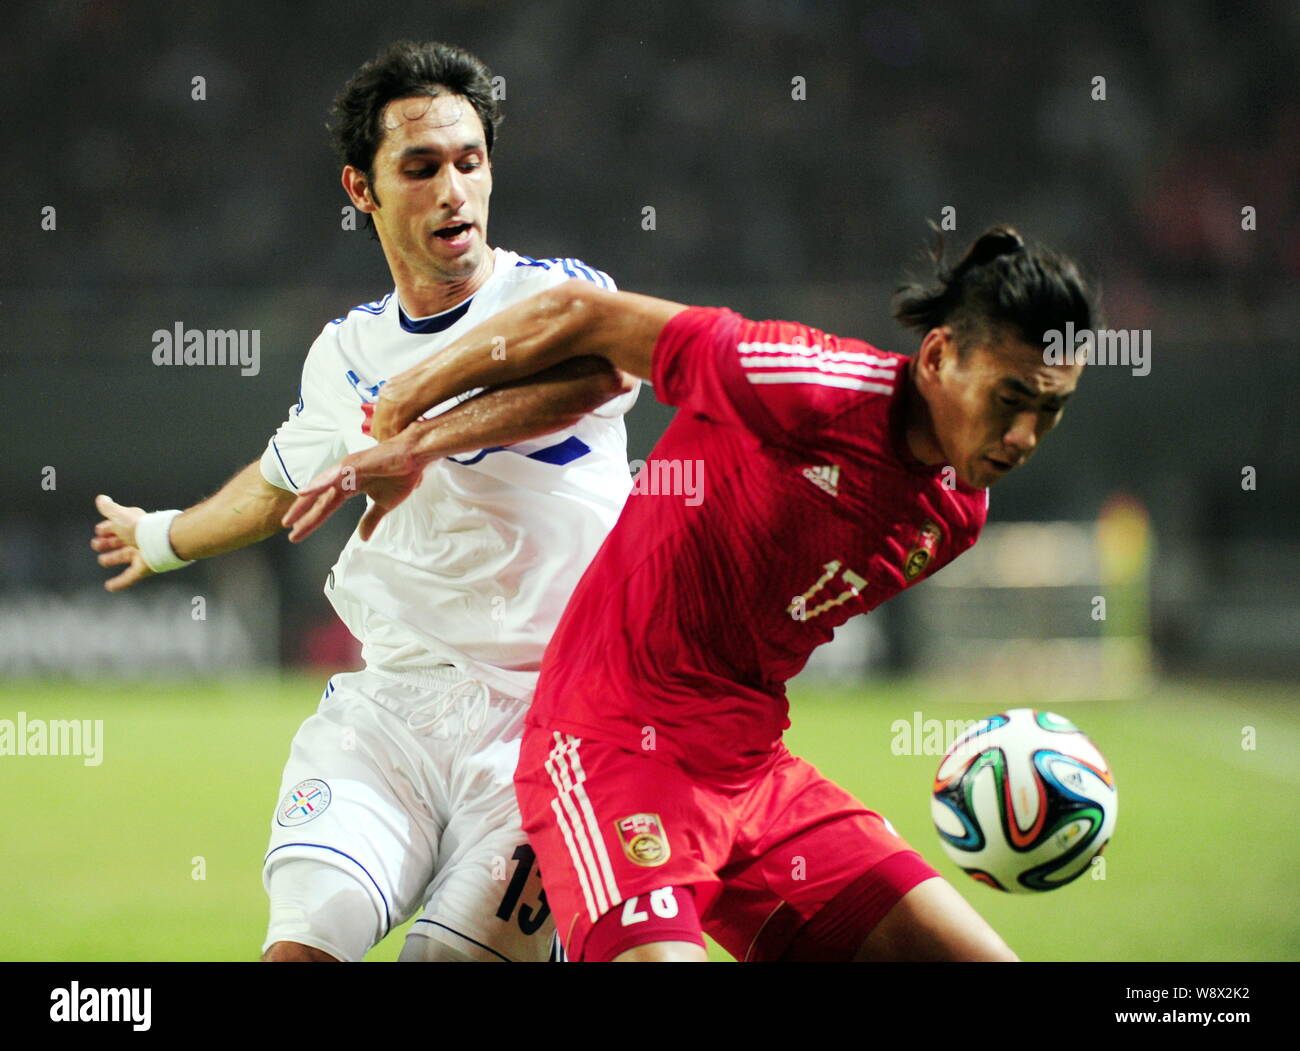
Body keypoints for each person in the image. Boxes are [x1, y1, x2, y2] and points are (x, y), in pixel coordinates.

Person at [284, 224, 1095, 962]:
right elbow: (580, 312)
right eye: (1010, 400)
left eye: (1050, 412)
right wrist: (409, 408)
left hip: (751, 770)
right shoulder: (804, 383)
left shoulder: (956, 513)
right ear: (937, 357)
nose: (1024, 437)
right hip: (607, 748)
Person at [91, 40, 638, 963]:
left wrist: (420, 434)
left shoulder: (559, 294)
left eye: (469, 162)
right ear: (362, 189)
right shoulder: (345, 352)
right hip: (392, 712)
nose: (453, 189)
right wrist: (161, 537)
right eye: (420, 168)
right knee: (302, 947)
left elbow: (611, 368)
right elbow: (274, 483)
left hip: (558, 726)